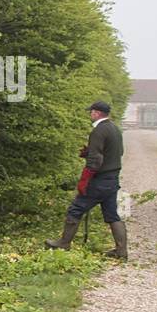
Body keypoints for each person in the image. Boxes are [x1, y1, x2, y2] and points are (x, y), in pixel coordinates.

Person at [45, 101, 126, 259]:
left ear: (96, 113)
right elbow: (118, 152)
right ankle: (121, 251)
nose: (90, 114)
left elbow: (96, 160)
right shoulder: (114, 129)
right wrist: (89, 152)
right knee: (112, 215)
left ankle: (64, 243)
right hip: (112, 179)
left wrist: (84, 180)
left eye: (91, 112)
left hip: (100, 179)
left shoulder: (98, 131)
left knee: (76, 209)